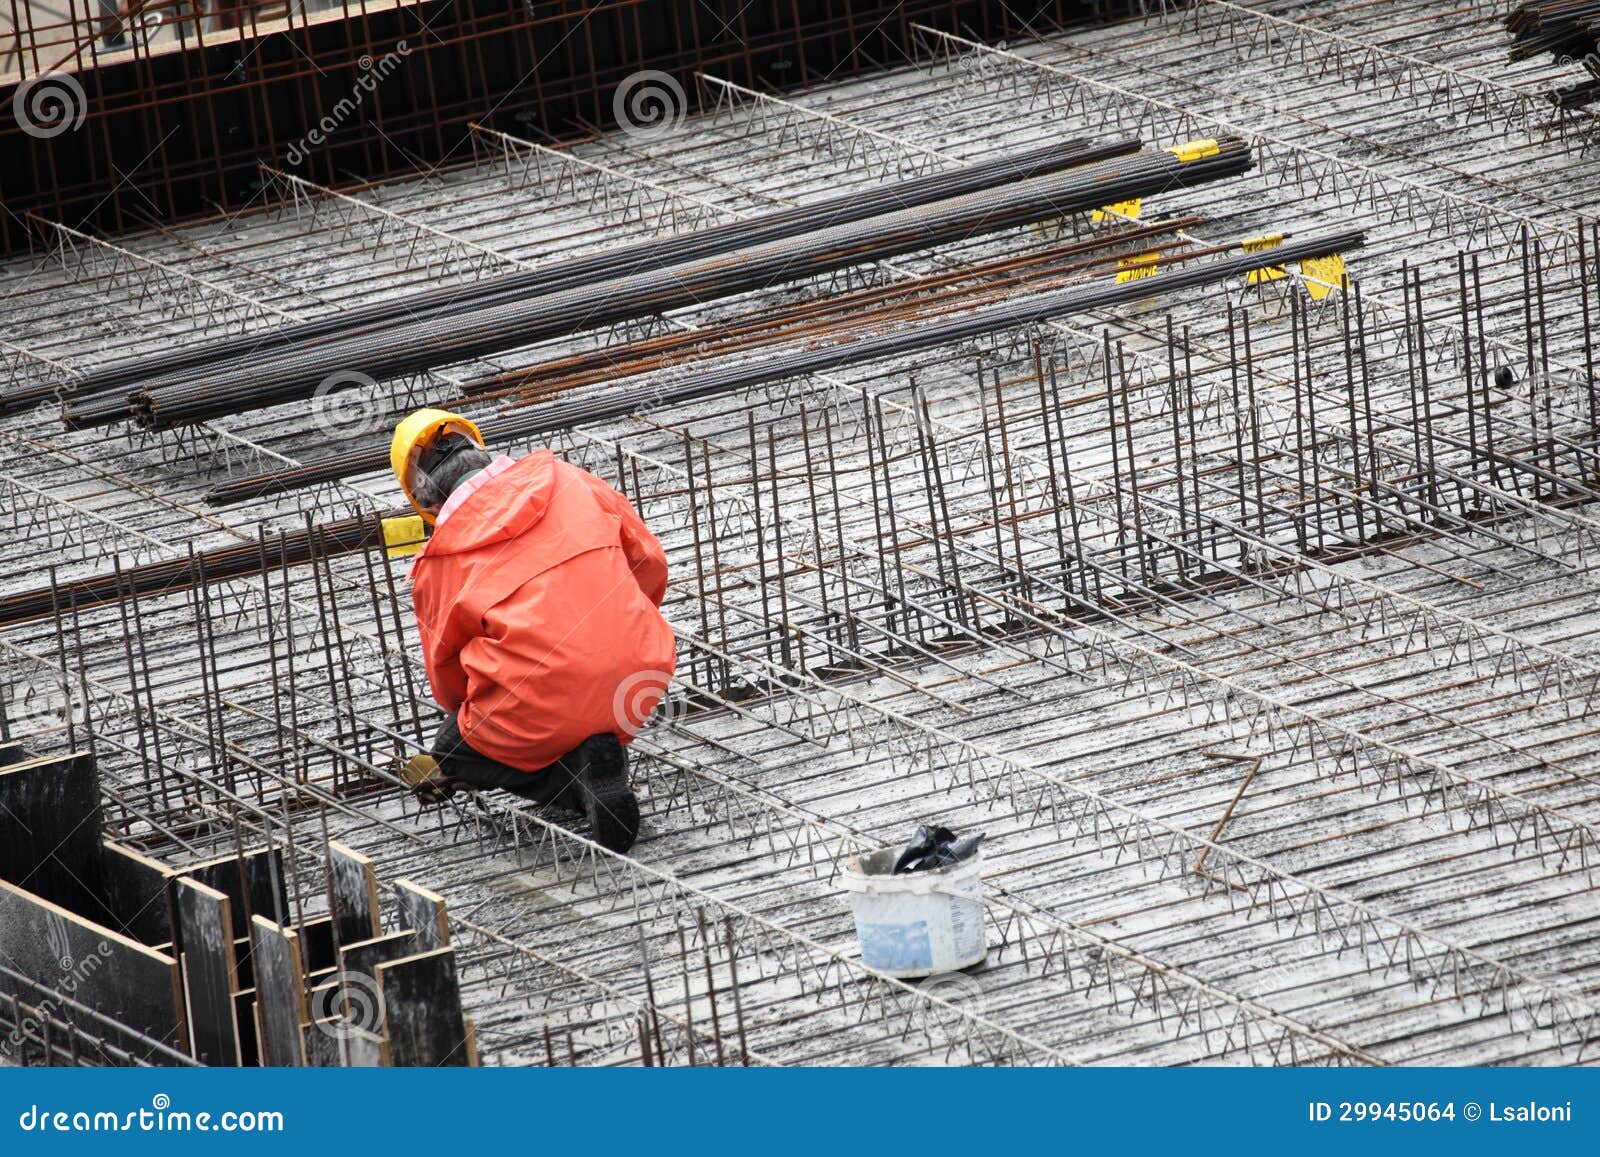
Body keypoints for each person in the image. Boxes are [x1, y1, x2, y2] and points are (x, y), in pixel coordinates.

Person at [391, 409, 675, 853]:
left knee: (450, 754)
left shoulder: (440, 560)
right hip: (641, 676)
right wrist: (627, 623)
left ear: (428, 508)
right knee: (553, 707)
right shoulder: (570, 479)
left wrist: (474, 717)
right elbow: (650, 563)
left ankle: (576, 782)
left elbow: (447, 678)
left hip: (533, 705)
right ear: (482, 454)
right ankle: (591, 753)